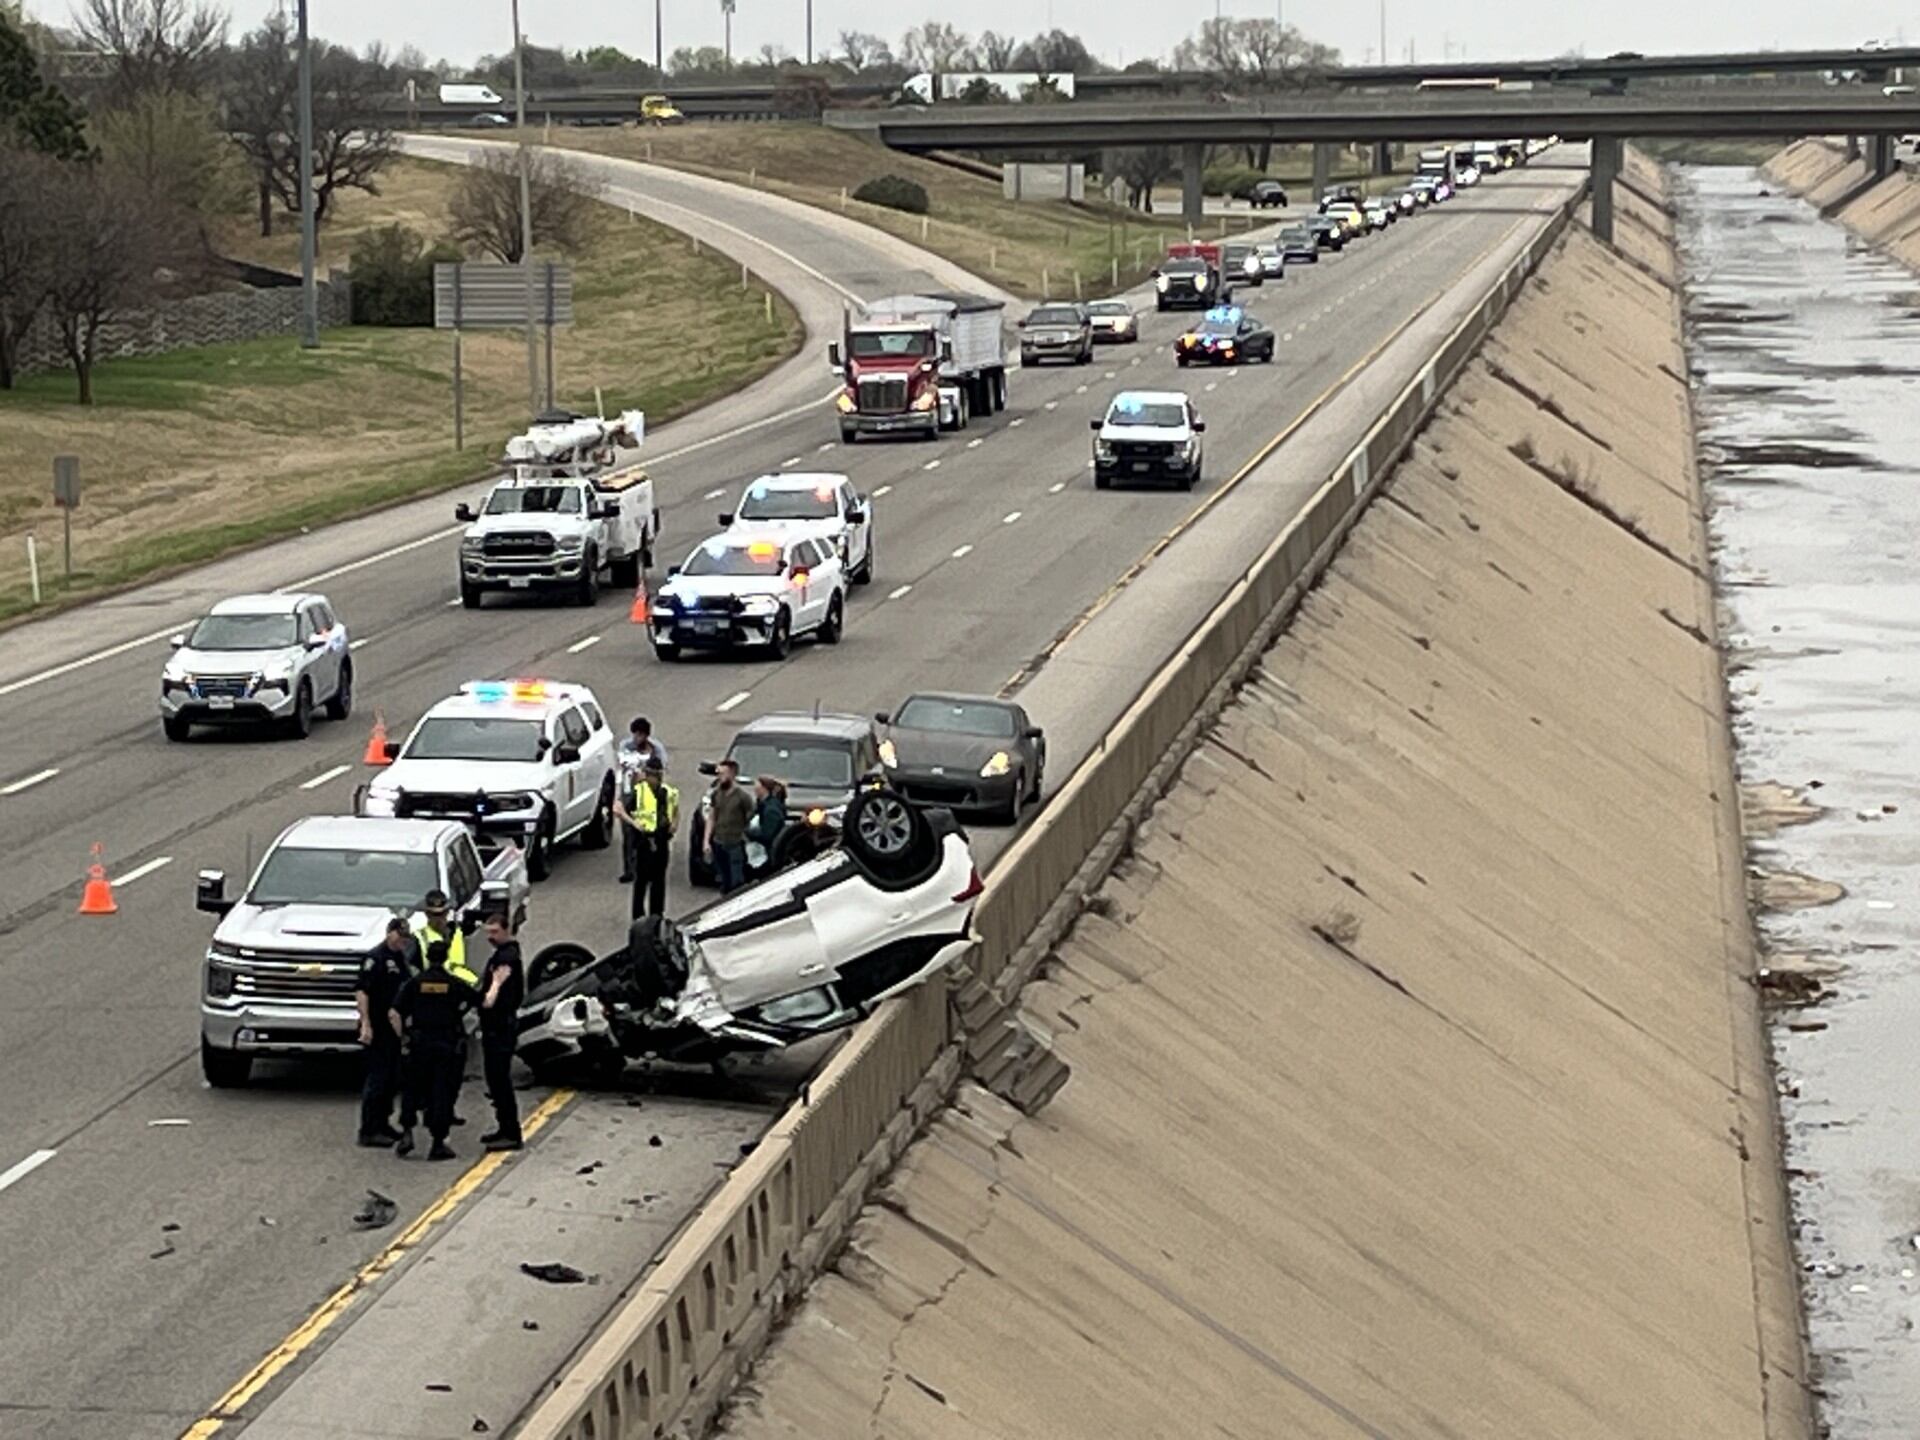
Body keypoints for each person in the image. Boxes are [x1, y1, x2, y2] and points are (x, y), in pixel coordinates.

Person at [390, 940, 477, 1161]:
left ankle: (407, 1133)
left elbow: (395, 1012)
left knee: (411, 1089)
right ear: (446, 957)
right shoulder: (453, 983)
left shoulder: (415, 983)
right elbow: (477, 1000)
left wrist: (402, 1038)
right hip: (445, 1044)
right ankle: (438, 1142)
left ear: (428, 957)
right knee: (441, 1091)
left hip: (419, 1044)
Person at [354, 918, 416, 1147]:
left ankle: (383, 1123)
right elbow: (362, 991)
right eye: (399, 937)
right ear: (389, 933)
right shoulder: (375, 958)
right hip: (378, 1026)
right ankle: (369, 1129)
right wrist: (366, 1024)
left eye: (405, 938)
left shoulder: (399, 958)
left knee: (391, 1078)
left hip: (393, 1028)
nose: (402, 941)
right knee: (377, 1079)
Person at [477, 913, 526, 1152]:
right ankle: (504, 1127)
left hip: (500, 1028)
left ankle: (510, 1132)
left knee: (499, 1081)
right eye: (488, 932)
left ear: (507, 930)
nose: (490, 937)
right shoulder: (503, 955)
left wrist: (493, 986)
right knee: (495, 1081)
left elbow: (491, 1001)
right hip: (497, 1027)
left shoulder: (506, 959)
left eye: (495, 932)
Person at [614, 717, 669, 884]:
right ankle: (629, 870)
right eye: (635, 735)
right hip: (629, 793)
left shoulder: (656, 749)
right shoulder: (626, 747)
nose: (638, 738)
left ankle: (649, 867)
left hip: (648, 796)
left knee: (648, 833)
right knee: (628, 834)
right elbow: (623, 764)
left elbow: (661, 768)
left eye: (641, 735)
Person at [626, 756, 679, 919]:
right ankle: (638, 916)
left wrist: (675, 823)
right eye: (649, 775)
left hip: (662, 841)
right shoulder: (639, 792)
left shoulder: (667, 793)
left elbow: (676, 810)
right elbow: (625, 811)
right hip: (643, 843)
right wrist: (635, 825)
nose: (652, 779)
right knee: (641, 881)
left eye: (655, 776)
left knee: (659, 880)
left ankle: (657, 915)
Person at [704, 759, 754, 894]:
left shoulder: (743, 797)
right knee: (723, 880)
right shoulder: (716, 794)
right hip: (719, 842)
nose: (719, 777)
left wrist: (746, 834)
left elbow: (751, 817)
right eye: (718, 774)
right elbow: (712, 817)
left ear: (732, 774)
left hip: (735, 843)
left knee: (736, 881)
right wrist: (706, 841)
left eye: (722, 774)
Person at [411, 890, 476, 987]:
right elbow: (412, 971)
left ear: (447, 912)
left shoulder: (455, 932)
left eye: (442, 914)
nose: (439, 919)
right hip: (432, 986)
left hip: (456, 984)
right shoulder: (418, 937)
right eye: (434, 915)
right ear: (427, 914)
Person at [745, 775, 788, 878]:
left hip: (767, 854)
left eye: (757, 785)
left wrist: (748, 833)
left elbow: (768, 834)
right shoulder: (762, 805)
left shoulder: (771, 810)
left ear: (764, 788)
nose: (754, 788)